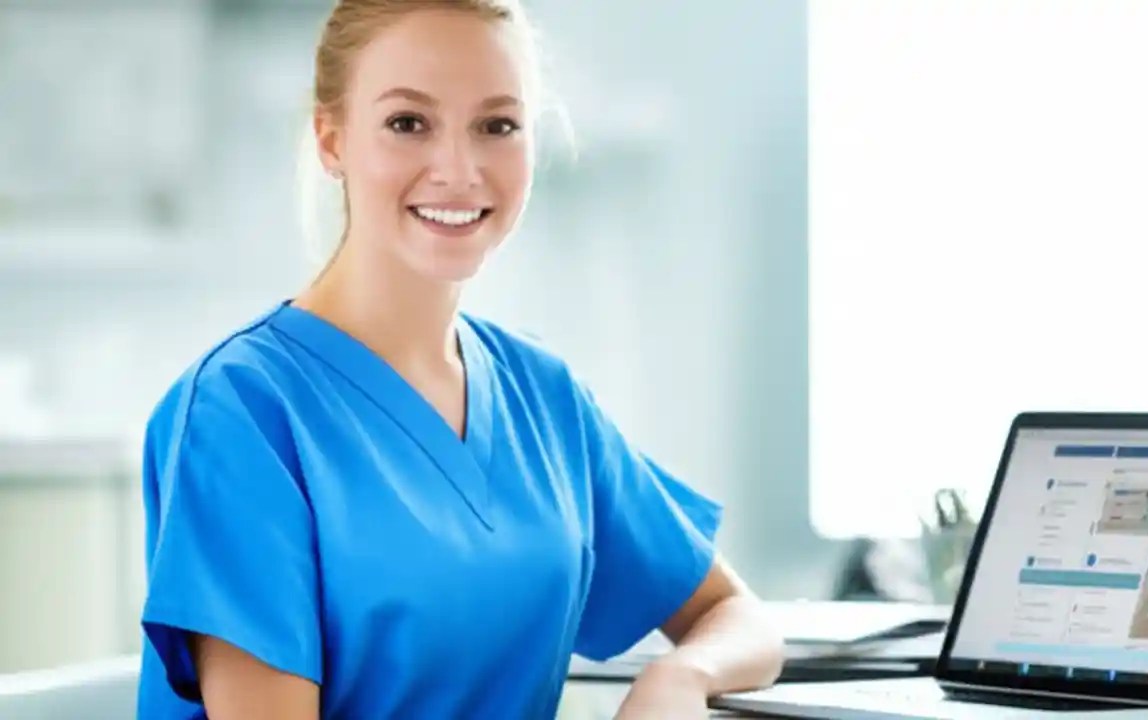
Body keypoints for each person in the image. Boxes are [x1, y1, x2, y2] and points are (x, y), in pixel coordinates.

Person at [134, 1, 784, 717]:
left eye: (497, 126)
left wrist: (677, 679)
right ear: (331, 140)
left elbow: (738, 618)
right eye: (408, 123)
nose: (458, 169)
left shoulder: (546, 397)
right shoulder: (242, 410)